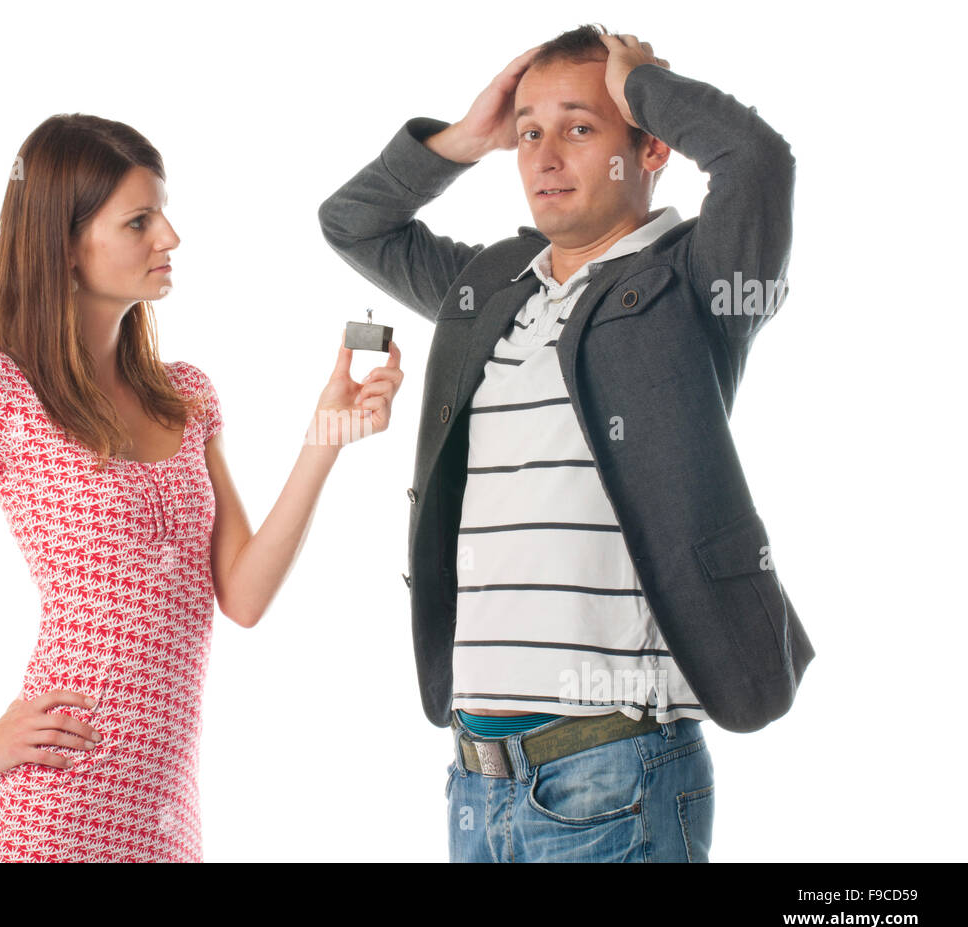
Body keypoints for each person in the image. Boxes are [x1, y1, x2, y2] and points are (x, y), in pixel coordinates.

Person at [0, 113, 403, 862]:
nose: (170, 237)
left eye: (162, 212)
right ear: (65, 245)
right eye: (139, 220)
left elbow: (245, 597)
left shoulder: (185, 397)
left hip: (165, 813)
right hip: (54, 810)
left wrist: (326, 440)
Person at [318, 24, 814, 862]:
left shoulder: (695, 280)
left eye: (581, 128)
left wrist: (645, 83)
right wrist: (464, 139)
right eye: (529, 133)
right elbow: (353, 223)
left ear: (648, 146)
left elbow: (757, 159)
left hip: (615, 775)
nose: (544, 156)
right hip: (478, 780)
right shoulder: (487, 289)